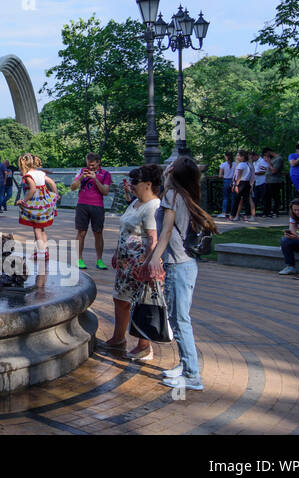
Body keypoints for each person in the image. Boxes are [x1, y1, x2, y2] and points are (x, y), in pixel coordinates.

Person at [152, 157, 215, 391]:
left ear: (172, 172)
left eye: (171, 165)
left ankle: (192, 375)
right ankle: (185, 364)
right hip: (185, 263)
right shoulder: (183, 195)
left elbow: (166, 232)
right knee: (179, 318)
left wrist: (154, 259)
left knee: (180, 320)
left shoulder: (172, 196)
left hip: (178, 264)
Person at [101, 164, 163, 362]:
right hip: (126, 263)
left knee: (141, 303)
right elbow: (126, 231)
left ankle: (144, 346)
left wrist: (148, 264)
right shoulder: (136, 202)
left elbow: (153, 239)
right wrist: (118, 252)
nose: (131, 185)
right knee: (120, 299)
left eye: (135, 182)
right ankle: (118, 338)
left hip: (140, 266)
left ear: (148, 184)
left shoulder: (153, 206)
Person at [71, 154, 112, 270]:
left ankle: (99, 259)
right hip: (82, 204)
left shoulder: (105, 174)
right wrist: (81, 178)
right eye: (88, 164)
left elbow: (105, 191)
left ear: (98, 162)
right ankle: (79, 258)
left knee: (98, 233)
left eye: (93, 165)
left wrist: (95, 179)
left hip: (97, 206)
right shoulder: (81, 171)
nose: (90, 167)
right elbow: (72, 187)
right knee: (81, 232)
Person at [17, 153, 59, 257]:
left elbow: (33, 189)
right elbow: (52, 183)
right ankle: (44, 251)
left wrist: (23, 200)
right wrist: (55, 194)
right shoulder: (40, 173)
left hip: (36, 203)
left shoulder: (28, 176)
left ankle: (40, 252)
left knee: (36, 228)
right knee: (42, 228)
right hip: (44, 202)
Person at [231, 151, 253, 221]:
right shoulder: (249, 164)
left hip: (241, 183)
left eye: (238, 156)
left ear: (243, 157)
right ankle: (246, 216)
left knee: (236, 200)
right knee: (246, 200)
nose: (237, 157)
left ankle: (232, 215)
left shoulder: (241, 165)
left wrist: (236, 185)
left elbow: (239, 176)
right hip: (247, 183)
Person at [264, 147, 285, 216]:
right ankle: (267, 212)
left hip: (275, 181)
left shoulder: (278, 159)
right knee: (267, 197)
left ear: (268, 152)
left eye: (265, 154)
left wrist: (268, 162)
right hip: (268, 181)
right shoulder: (272, 159)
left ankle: (276, 212)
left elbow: (274, 171)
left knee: (275, 197)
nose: (265, 156)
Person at [251, 148, 270, 217]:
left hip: (263, 182)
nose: (251, 159)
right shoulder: (254, 163)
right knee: (255, 198)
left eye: (252, 157)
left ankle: (266, 212)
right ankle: (254, 212)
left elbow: (264, 171)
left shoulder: (262, 161)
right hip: (257, 182)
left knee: (264, 198)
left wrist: (255, 173)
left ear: (255, 156)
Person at [218, 152, 236, 219]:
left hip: (226, 181)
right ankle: (232, 212)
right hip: (233, 181)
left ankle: (224, 212)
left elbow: (220, 176)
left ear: (226, 157)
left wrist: (224, 176)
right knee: (233, 198)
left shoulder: (223, 165)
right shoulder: (235, 164)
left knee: (225, 198)